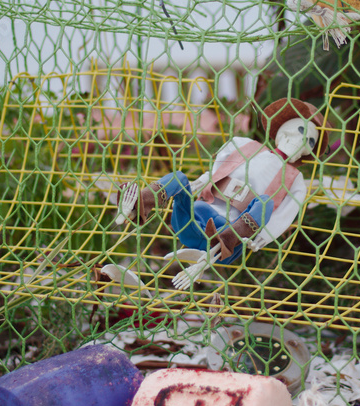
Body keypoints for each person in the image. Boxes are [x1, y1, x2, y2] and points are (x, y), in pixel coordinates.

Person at [114, 98, 327, 289]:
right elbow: (220, 170)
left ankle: (211, 254)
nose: (301, 141)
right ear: (282, 128)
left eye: (310, 141)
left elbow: (286, 213)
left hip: (229, 235)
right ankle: (138, 204)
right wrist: (203, 180)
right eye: (300, 131)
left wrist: (263, 236)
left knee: (265, 203)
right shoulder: (245, 145)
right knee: (179, 178)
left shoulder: (294, 179)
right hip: (195, 217)